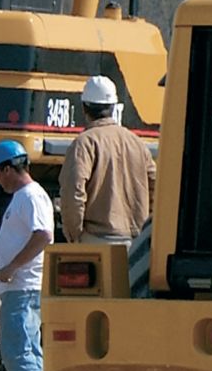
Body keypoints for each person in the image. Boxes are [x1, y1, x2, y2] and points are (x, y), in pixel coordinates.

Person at [60, 74, 154, 248]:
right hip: (135, 241)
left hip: (96, 239)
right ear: (113, 107)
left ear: (84, 108)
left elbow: (73, 191)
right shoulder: (137, 143)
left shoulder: (84, 143)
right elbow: (155, 186)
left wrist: (74, 234)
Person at [0, 138, 53, 371]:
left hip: (23, 287)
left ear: (7, 169)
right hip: (22, 288)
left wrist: (12, 267)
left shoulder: (30, 197)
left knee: (19, 351)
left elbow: (43, 235)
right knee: (26, 350)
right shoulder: (26, 197)